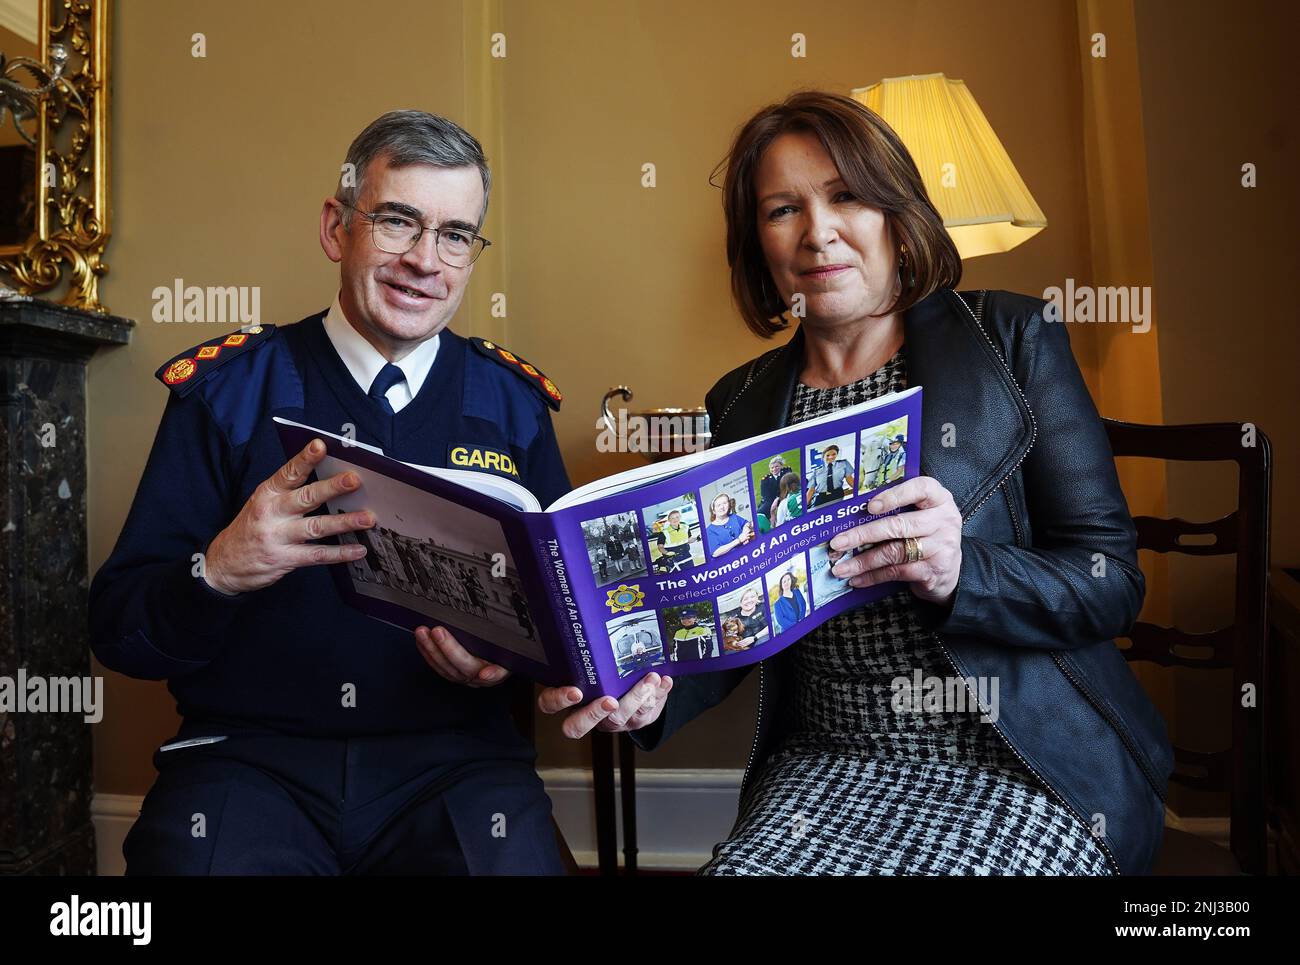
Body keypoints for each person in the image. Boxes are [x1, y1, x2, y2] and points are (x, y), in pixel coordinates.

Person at [535, 90, 1172, 877]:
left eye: (846, 196)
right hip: (828, 763)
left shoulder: (1015, 338)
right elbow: (736, 625)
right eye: (781, 209)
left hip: (1022, 764)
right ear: (758, 243)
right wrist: (653, 690)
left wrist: (962, 571)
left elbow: (1111, 581)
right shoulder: (738, 401)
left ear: (897, 216)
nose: (818, 232)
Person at [89, 110, 570, 875]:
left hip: (457, 764)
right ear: (336, 227)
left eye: (454, 235)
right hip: (249, 762)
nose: (424, 260)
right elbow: (117, 630)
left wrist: (509, 660)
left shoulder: (511, 404)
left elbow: (566, 618)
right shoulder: (227, 393)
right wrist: (218, 568)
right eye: (397, 222)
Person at [704, 491, 754, 557]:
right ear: (713, 511)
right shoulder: (709, 530)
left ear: (728, 505)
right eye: (718, 505)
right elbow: (715, 553)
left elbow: (746, 524)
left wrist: (745, 533)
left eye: (724, 503)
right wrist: (739, 540)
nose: (722, 507)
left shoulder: (734, 517)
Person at [654, 509, 695, 573]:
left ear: (680, 518)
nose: (675, 519)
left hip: (686, 555)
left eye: (677, 517)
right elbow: (660, 547)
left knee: (692, 573)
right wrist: (666, 553)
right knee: (677, 577)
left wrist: (696, 538)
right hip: (672, 558)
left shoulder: (686, 527)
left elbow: (689, 540)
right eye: (672, 518)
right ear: (669, 520)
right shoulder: (664, 532)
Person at [757, 456, 788, 522]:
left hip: (784, 497)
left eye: (776, 466)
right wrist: (775, 503)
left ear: (781, 466)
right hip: (770, 500)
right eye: (772, 468)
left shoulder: (786, 472)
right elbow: (766, 496)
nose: (774, 469)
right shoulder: (765, 480)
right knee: (760, 513)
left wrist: (779, 499)